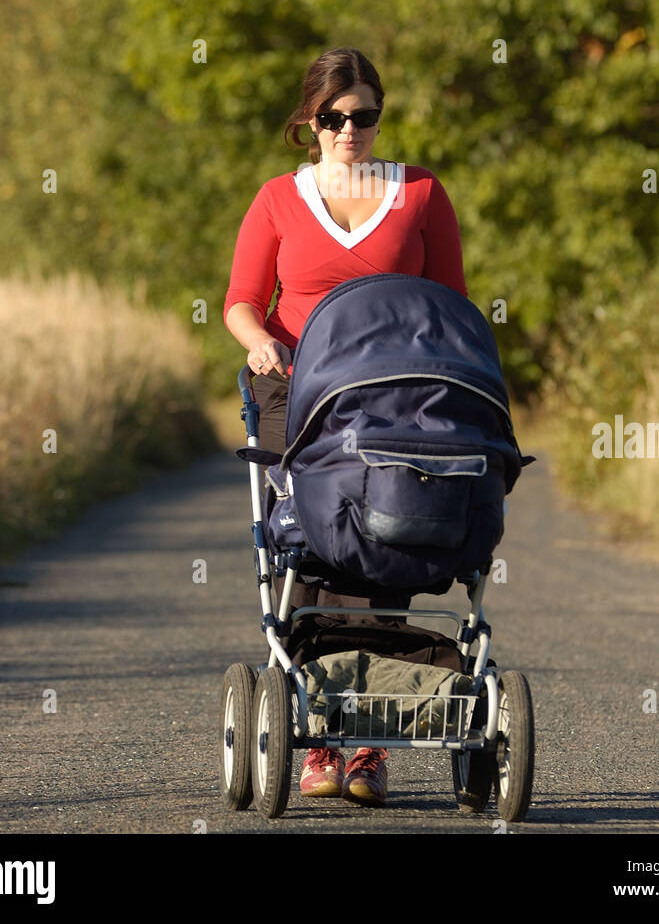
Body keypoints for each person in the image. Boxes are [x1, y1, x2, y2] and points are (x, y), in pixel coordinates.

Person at [224, 48, 468, 806]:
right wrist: (259, 339)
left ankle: (369, 743)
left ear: (379, 117)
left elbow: (451, 302)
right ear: (311, 121)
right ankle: (322, 739)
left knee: (386, 535)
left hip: (394, 398)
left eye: (364, 116)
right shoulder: (277, 200)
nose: (349, 130)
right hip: (298, 391)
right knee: (316, 539)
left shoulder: (422, 194)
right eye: (333, 117)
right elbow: (240, 299)